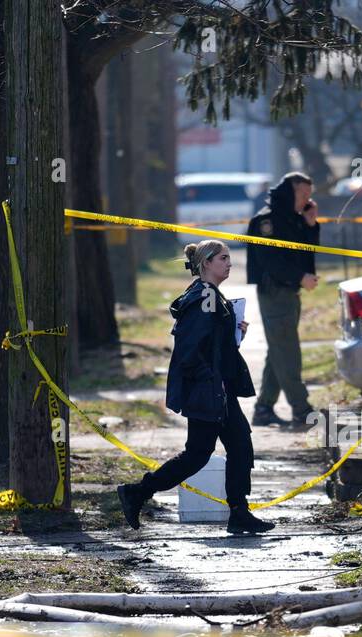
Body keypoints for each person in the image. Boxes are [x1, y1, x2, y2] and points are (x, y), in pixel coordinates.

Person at [116, 240, 275, 536]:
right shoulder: (205, 296)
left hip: (218, 390)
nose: (229, 264)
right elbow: (189, 350)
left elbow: (210, 343)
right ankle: (137, 492)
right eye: (223, 258)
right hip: (208, 391)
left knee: (239, 445)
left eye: (229, 258)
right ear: (206, 264)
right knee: (197, 453)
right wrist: (210, 381)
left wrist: (232, 331)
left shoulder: (212, 296)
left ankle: (239, 512)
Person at [246, 171, 320, 428]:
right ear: (289, 192)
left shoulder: (295, 219)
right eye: (302, 195)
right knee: (288, 350)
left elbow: (307, 252)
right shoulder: (267, 221)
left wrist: (311, 224)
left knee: (278, 349)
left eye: (309, 197)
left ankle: (264, 408)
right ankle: (302, 409)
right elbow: (270, 261)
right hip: (275, 292)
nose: (305, 201)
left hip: (290, 293)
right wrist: (300, 276)